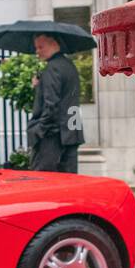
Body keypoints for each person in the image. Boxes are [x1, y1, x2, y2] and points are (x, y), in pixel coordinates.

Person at [25, 34, 82, 173]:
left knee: (43, 181)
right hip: (71, 132)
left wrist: (40, 130)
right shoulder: (69, 66)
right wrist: (39, 86)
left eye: (40, 47)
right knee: (69, 182)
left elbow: (51, 105)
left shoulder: (52, 68)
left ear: (53, 44)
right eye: (36, 47)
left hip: (53, 135)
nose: (37, 51)